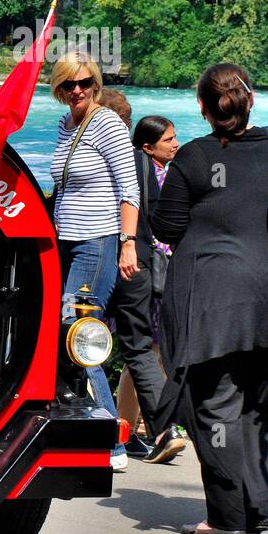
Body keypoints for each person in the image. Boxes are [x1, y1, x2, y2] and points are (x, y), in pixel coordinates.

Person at [151, 64, 268, 534]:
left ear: (202, 108)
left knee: (215, 406)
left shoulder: (195, 159)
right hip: (266, 300)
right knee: (257, 409)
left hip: (214, 304)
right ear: (251, 100)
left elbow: (166, 228)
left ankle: (226, 518)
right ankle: (257, 509)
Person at [48, 52, 140, 473]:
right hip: (64, 242)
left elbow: (129, 189)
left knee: (78, 333)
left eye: (85, 82)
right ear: (59, 88)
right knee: (60, 331)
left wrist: (127, 243)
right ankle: (72, 427)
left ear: (96, 82)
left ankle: (111, 442)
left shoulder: (106, 124)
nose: (78, 90)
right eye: (69, 84)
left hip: (97, 242)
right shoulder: (65, 126)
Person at [99, 100, 190, 464]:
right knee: (141, 349)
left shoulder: (111, 157)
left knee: (80, 346)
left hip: (109, 257)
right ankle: (158, 429)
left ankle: (115, 438)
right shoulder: (141, 164)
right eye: (169, 138)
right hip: (142, 263)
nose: (176, 143)